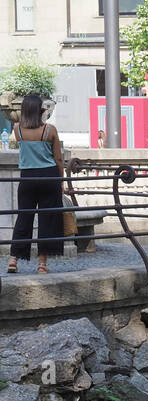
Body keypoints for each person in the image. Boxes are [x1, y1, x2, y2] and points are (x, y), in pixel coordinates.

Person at [7, 94, 65, 275]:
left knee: (24, 218)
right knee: (47, 219)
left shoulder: (17, 129)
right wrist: (61, 180)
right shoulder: (50, 130)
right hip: (49, 176)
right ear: (40, 110)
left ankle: (13, 260)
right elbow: (58, 159)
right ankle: (42, 264)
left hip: (28, 178)